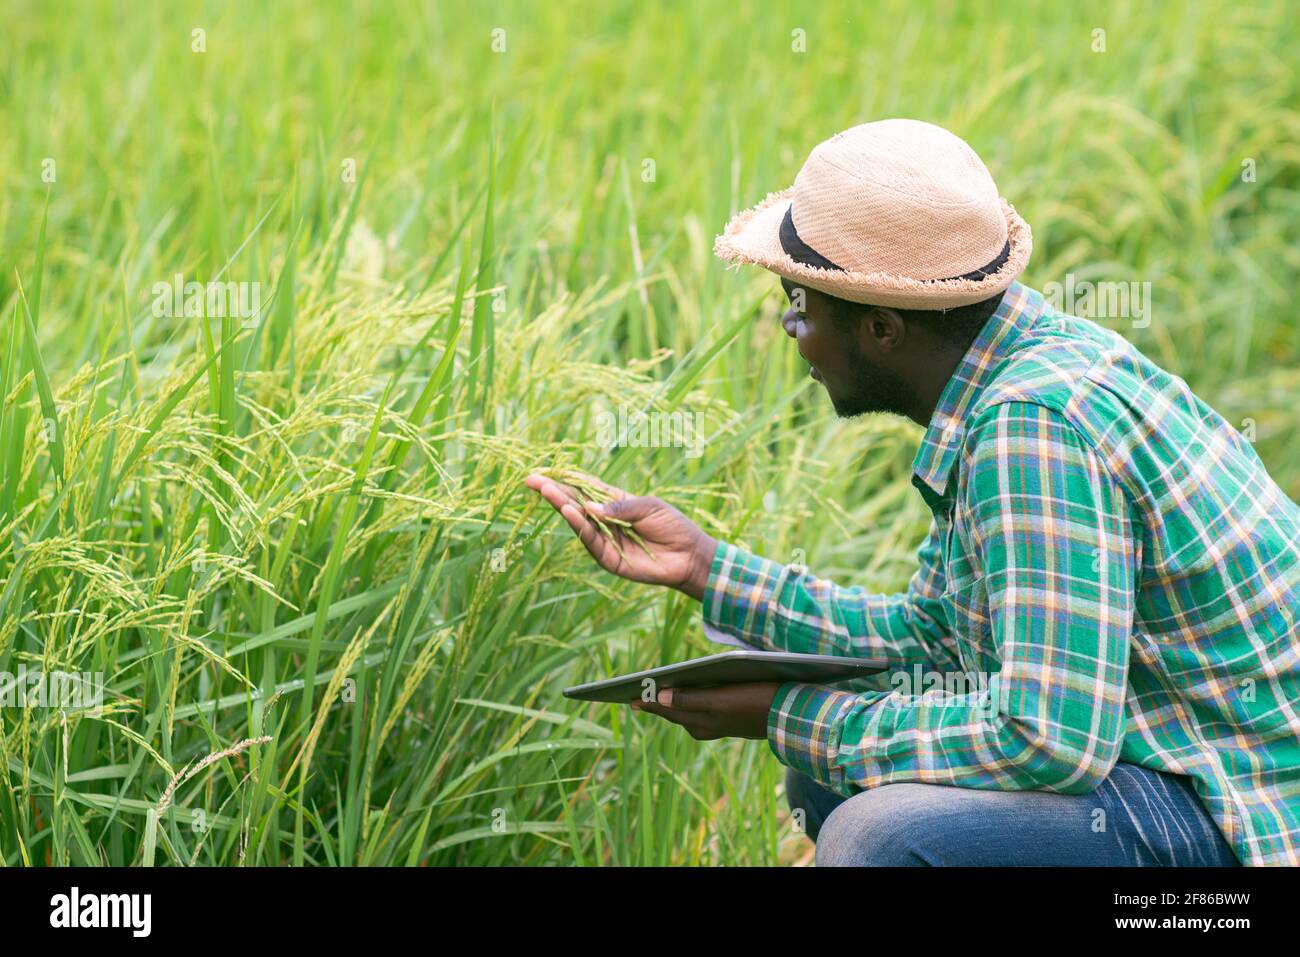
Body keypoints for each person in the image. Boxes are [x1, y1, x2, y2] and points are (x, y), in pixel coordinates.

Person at [526, 119, 1300, 866]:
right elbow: (934, 638)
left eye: (798, 303)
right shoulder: (1012, 370)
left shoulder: (1029, 428)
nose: (787, 327)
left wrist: (783, 714)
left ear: (884, 330)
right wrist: (706, 569)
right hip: (1178, 749)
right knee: (828, 775)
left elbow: (1048, 738)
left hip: (1245, 797)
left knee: (879, 835)